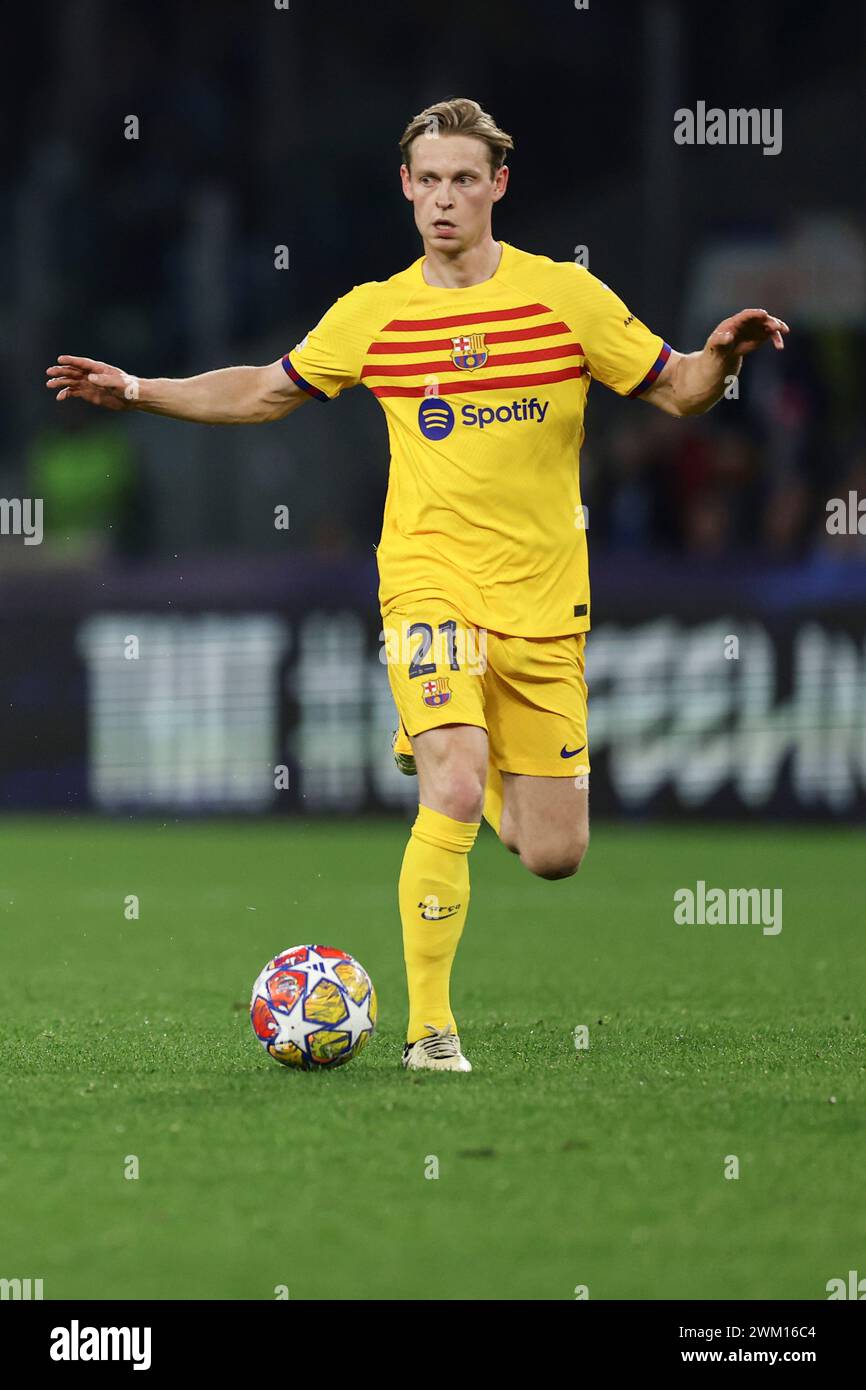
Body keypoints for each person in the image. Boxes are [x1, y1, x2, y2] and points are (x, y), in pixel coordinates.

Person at [46, 97, 789, 1073]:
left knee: (553, 851)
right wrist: (141, 390)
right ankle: (428, 1030)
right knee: (451, 774)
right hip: (426, 581)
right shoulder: (375, 313)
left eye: (461, 180)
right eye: (427, 180)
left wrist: (720, 356)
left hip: (542, 602)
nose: (443, 199)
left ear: (497, 186)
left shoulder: (563, 297)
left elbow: (676, 388)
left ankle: (466, 768)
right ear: (405, 187)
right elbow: (264, 389)